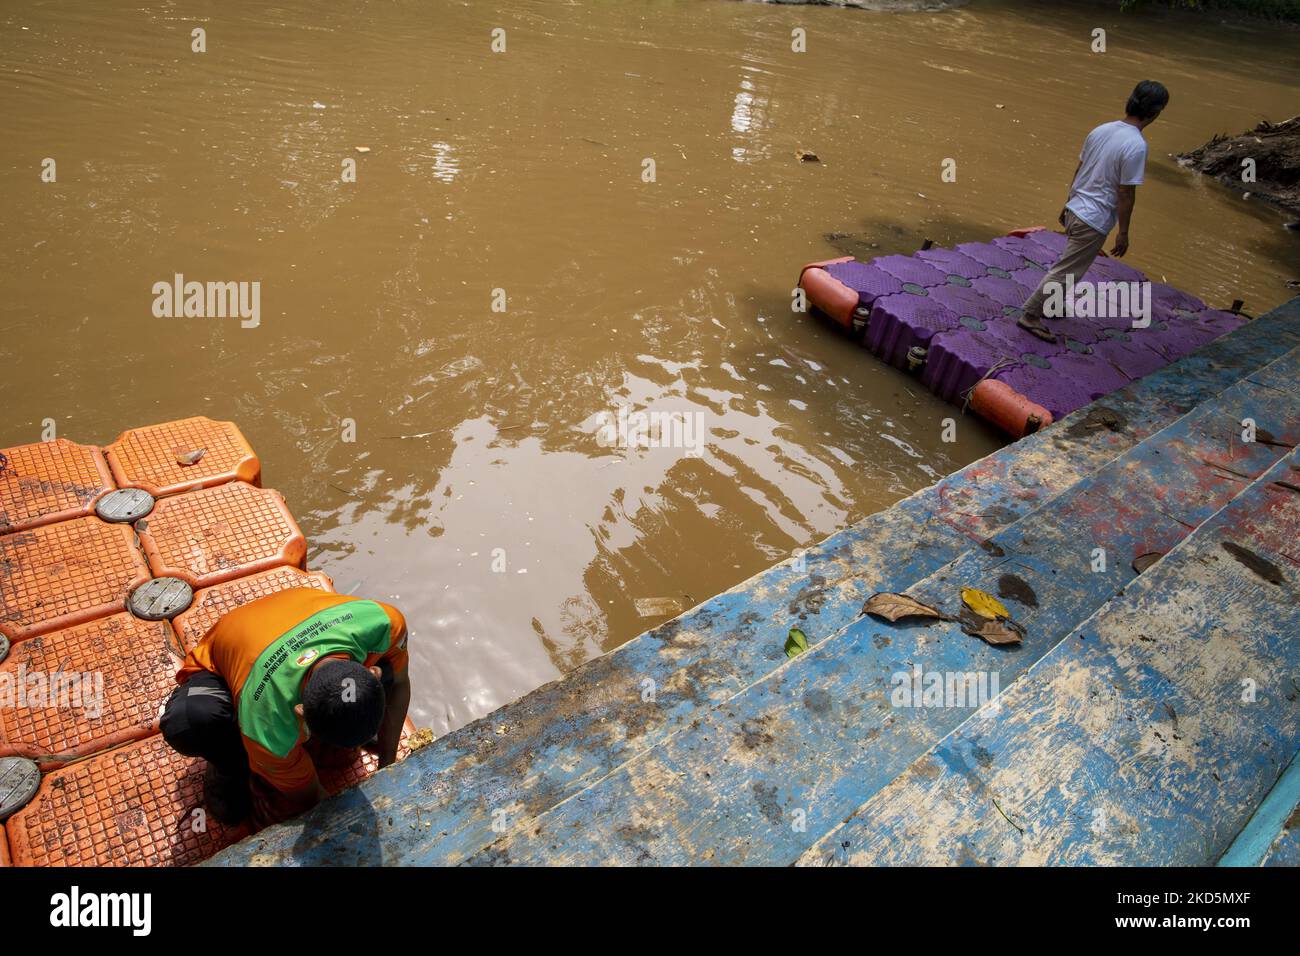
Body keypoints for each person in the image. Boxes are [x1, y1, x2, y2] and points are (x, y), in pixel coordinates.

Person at [161, 588, 411, 827]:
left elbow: (400, 684)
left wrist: (387, 767)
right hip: (227, 651)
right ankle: (230, 766)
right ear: (299, 711)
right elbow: (311, 797)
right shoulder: (266, 724)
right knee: (191, 721)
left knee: (393, 672)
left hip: (295, 610)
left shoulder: (385, 624)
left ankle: (337, 732)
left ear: (371, 671)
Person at [1019, 80, 1169, 342]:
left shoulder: (1102, 129)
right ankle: (1031, 315)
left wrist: (1067, 203)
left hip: (1076, 208)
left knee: (1071, 265)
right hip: (1093, 218)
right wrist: (1123, 232)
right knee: (1068, 270)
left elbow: (1080, 168)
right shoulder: (1136, 145)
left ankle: (1051, 304)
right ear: (1155, 113)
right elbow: (1126, 192)